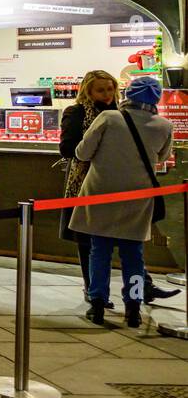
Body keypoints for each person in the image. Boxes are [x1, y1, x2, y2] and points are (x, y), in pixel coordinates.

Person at [72, 76, 174, 328]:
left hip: (101, 193)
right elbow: (162, 157)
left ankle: (97, 303)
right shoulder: (164, 125)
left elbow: (82, 152)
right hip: (138, 198)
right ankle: (134, 307)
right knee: (134, 255)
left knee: (100, 252)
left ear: (128, 94)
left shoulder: (109, 118)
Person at [58, 70, 119, 306]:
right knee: (87, 239)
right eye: (101, 90)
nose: (107, 94)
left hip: (116, 182)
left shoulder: (121, 114)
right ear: (88, 91)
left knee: (119, 239)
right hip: (84, 181)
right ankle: (92, 287)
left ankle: (138, 283)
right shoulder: (76, 112)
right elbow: (67, 148)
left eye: (110, 88)